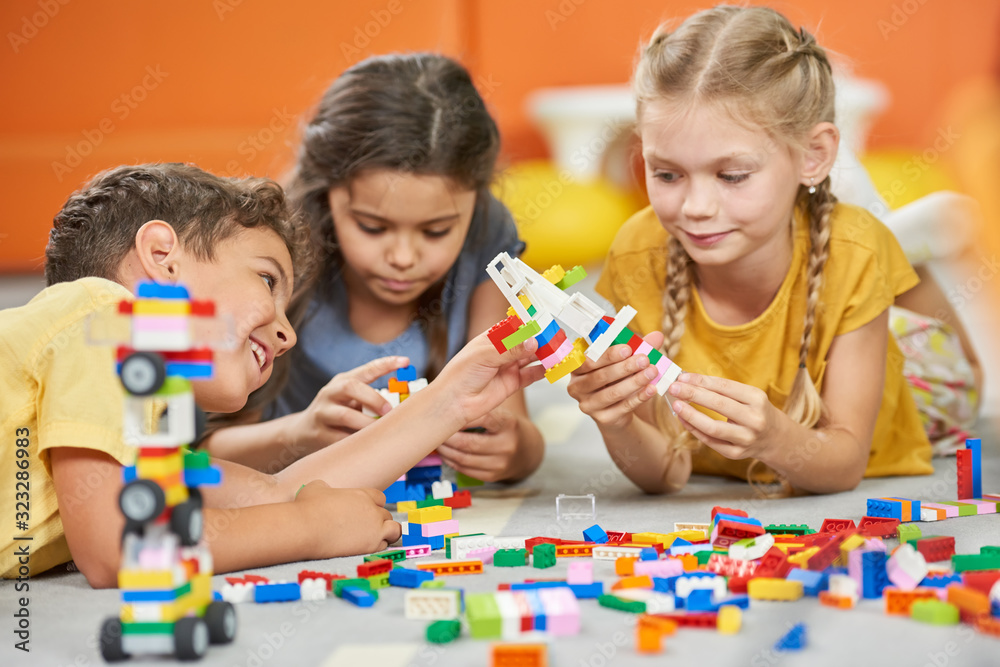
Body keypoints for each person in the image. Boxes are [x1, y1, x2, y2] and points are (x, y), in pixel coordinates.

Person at [0, 163, 543, 588]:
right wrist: (311, 530)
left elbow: (276, 492)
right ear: (163, 258)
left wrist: (452, 400)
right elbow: (120, 549)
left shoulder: (129, 418)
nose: (288, 335)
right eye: (266, 280)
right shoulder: (101, 315)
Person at [567, 5, 978, 495]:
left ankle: (904, 255)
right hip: (809, 296)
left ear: (813, 156)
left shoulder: (856, 254)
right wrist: (615, 422)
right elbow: (664, 473)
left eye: (732, 176)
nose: (696, 208)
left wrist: (776, 438)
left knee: (926, 342)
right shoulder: (639, 250)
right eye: (667, 174)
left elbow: (844, 464)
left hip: (914, 379)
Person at [202, 53, 544, 483]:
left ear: (474, 203)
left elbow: (516, 429)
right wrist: (300, 434)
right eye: (372, 226)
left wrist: (517, 451)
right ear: (329, 195)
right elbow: (195, 456)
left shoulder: (486, 235)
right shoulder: (268, 250)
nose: (403, 256)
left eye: (436, 231)